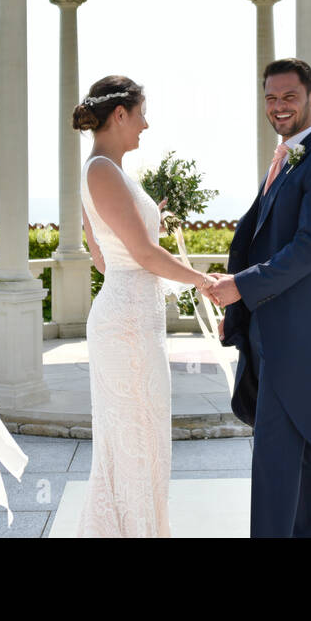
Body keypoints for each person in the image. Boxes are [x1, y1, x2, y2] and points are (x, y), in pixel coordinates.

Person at [207, 57, 311, 537]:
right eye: (271, 98)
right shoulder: (285, 158)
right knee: (300, 464)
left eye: (289, 96)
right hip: (271, 333)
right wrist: (239, 308)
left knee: (275, 464)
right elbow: (263, 242)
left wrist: (241, 287)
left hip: (301, 340)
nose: (279, 106)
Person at [72, 75, 216, 537]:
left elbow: (102, 256)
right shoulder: (101, 171)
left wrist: (149, 216)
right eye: (140, 114)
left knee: (140, 444)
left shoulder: (104, 171)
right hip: (128, 328)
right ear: (119, 115)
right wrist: (202, 280)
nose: (145, 125)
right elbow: (144, 256)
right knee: (135, 446)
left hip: (130, 321)